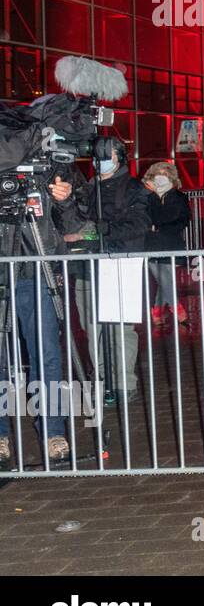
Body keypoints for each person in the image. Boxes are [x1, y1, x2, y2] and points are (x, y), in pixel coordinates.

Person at [0, 163, 78, 467]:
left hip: (37, 272)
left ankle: (53, 432)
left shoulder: (46, 169)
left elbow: (73, 225)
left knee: (48, 355)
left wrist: (64, 199)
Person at [72, 136, 151, 405]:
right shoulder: (86, 187)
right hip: (87, 266)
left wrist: (106, 230)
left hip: (120, 264)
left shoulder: (132, 188)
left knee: (120, 328)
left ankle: (124, 382)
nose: (103, 160)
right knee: (92, 328)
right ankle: (102, 380)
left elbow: (140, 223)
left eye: (108, 154)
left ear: (120, 157)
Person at [141, 162, 190, 326]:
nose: (162, 177)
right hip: (151, 245)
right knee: (165, 279)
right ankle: (178, 310)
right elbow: (146, 219)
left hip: (171, 244)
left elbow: (181, 220)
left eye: (166, 174)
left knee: (165, 280)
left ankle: (156, 311)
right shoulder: (147, 197)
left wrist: (159, 226)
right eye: (158, 174)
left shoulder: (178, 197)